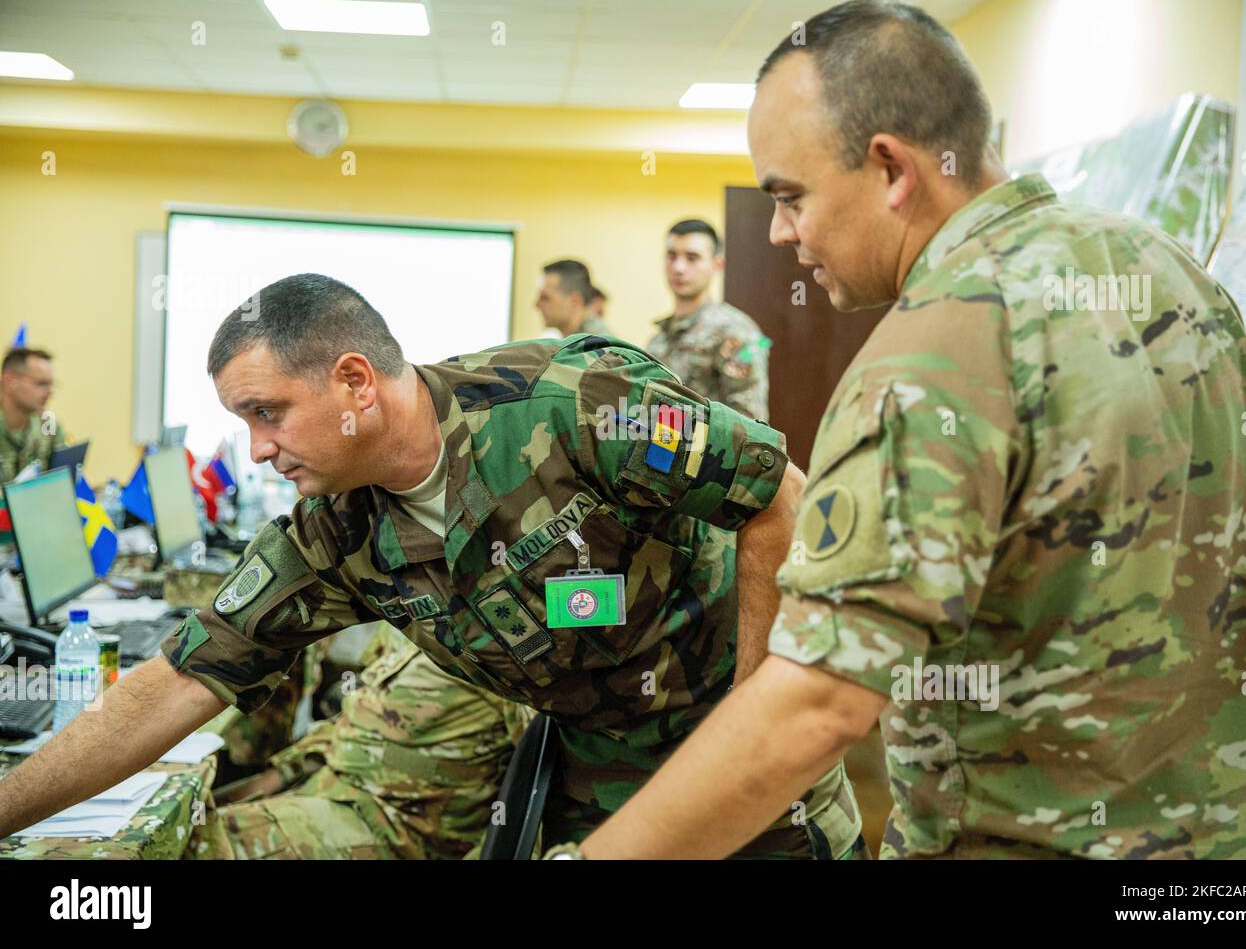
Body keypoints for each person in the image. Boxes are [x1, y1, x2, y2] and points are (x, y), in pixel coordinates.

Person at [576, 0, 1246, 859]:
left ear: (891, 169)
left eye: (790, 196)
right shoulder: (1169, 270)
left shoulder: (933, 354)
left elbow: (819, 703)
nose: (778, 232)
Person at [0, 272, 861, 859]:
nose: (257, 449)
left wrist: (754, 719)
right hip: (595, 765)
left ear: (354, 382)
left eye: (268, 414)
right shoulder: (331, 533)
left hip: (738, 747)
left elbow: (776, 494)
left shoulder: (573, 405)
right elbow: (181, 678)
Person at [206, 624, 527, 860]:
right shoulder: (421, 617)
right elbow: (362, 722)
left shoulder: (509, 646)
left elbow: (543, 793)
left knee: (204, 843)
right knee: (198, 813)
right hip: (335, 786)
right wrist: (280, 774)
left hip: (398, 829)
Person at [647, 219, 770, 421]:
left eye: (692, 258)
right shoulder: (659, 338)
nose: (678, 267)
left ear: (716, 264)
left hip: (709, 452)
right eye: (671, 256)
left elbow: (750, 424)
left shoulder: (737, 331)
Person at [0, 347, 67, 481]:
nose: (50, 393)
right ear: (10, 381)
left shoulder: (48, 425)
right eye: (41, 384)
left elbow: (61, 479)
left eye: (52, 385)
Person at [535, 259, 612, 338]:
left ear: (574, 301)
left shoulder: (596, 345)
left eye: (545, 298)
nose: (536, 305)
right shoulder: (575, 341)